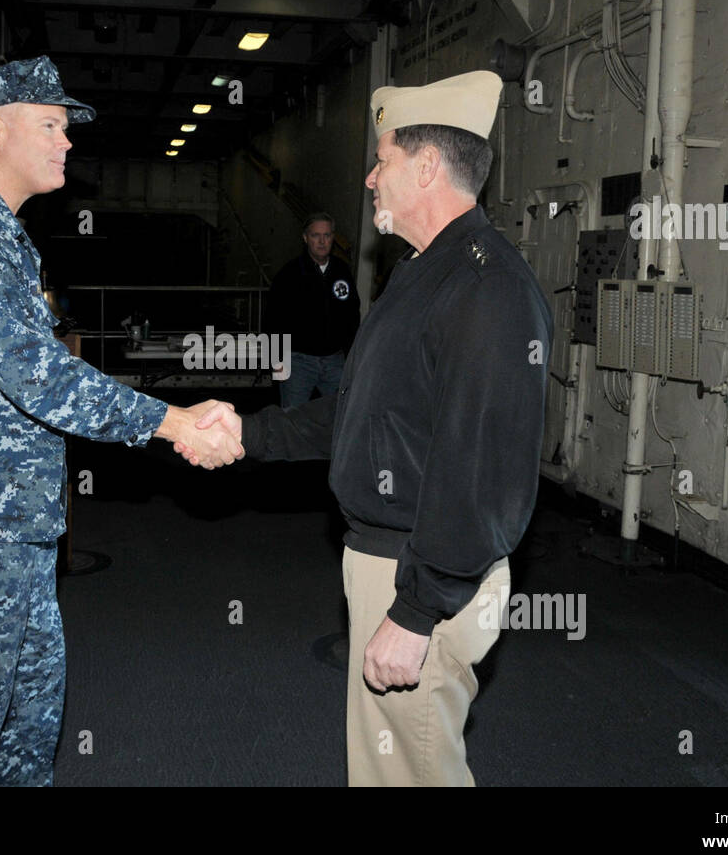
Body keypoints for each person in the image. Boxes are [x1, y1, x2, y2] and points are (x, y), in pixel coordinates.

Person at [0, 56, 243, 787]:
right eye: (51, 125)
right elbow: (38, 377)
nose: (67, 142)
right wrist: (173, 422)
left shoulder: (3, 236)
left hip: (9, 529)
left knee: (26, 725)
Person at [181, 70, 552, 786]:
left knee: (409, 774)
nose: (371, 176)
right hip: (393, 561)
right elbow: (361, 414)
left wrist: (415, 610)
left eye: (383, 160)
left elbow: (485, 478)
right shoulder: (421, 275)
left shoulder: (487, 290)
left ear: (428, 166)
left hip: (421, 571)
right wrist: (249, 432)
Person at [267, 213, 360, 407]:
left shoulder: (341, 271)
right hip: (298, 362)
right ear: (305, 238)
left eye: (326, 235)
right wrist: (277, 362)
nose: (321, 241)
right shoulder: (290, 274)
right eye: (315, 235)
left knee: (341, 416)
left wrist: (351, 354)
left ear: (333, 238)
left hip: (335, 361)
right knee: (292, 420)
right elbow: (273, 320)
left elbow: (352, 314)